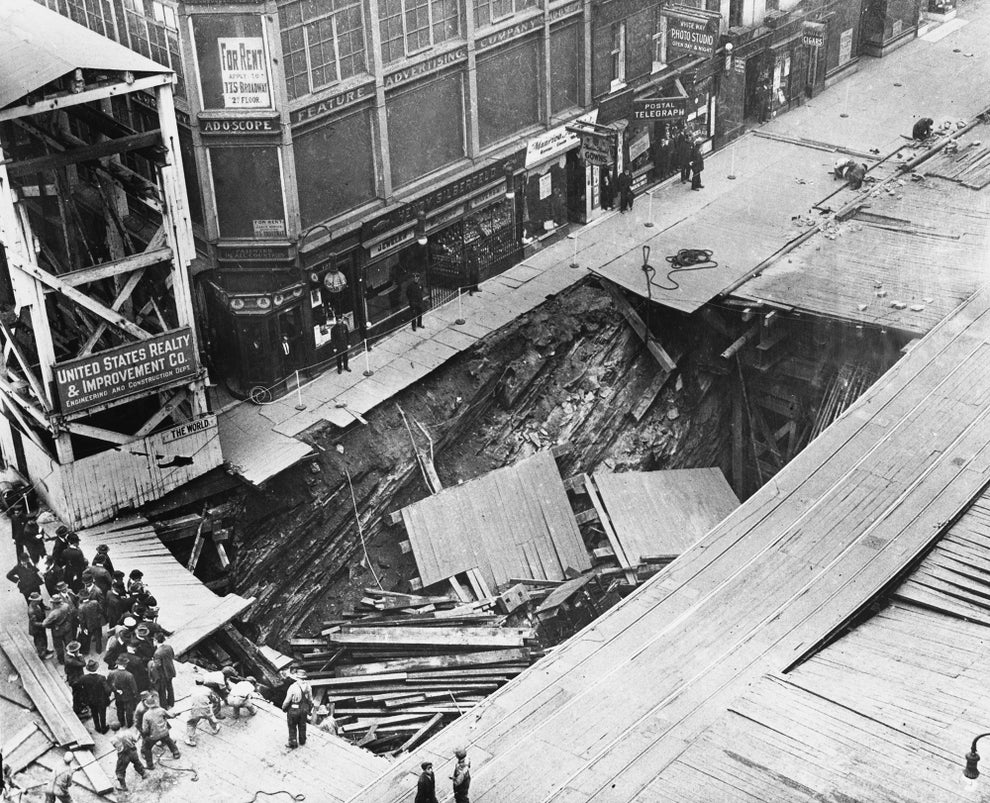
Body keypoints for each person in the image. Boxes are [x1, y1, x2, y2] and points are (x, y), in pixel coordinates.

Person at [140, 694, 180, 769]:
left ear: (147, 705)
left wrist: (144, 734)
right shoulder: (161, 710)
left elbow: (145, 729)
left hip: (153, 736)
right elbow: (170, 716)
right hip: (164, 732)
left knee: (147, 748)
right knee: (168, 740)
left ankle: (150, 765)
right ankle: (176, 753)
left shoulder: (146, 715)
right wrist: (175, 714)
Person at [184, 678, 221, 747]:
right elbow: (213, 699)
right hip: (205, 710)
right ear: (203, 682)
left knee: (191, 723)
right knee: (211, 718)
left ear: (196, 682)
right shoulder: (208, 690)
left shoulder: (192, 689)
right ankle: (215, 729)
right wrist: (215, 701)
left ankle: (190, 739)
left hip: (195, 710)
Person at [281, 668, 313, 749]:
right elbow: (310, 700)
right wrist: (309, 709)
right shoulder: (308, 686)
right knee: (302, 725)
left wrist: (283, 708)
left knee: (292, 726)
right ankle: (302, 740)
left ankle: (293, 742)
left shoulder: (293, 687)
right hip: (304, 709)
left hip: (294, 710)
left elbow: (287, 701)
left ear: (297, 677)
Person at [110, 722, 146, 791]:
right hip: (133, 752)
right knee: (137, 763)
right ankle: (143, 774)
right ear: (120, 726)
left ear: (112, 729)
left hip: (123, 756)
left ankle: (123, 786)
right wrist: (139, 733)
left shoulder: (112, 739)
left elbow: (116, 747)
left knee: (119, 771)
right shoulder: (128, 732)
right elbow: (135, 739)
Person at [78, 660, 111, 734]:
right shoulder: (101, 678)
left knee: (94, 714)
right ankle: (103, 728)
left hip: (91, 701)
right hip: (101, 700)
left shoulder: (83, 678)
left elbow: (81, 689)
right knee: (102, 715)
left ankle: (97, 727)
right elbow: (108, 690)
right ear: (96, 668)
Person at [43, 594, 75, 664]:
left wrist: (52, 626)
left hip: (57, 631)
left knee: (59, 646)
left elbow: (44, 624)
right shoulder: (66, 605)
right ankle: (71, 657)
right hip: (67, 627)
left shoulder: (53, 613)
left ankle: (61, 660)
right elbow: (70, 613)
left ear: (54, 603)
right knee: (69, 644)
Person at [108, 655, 138, 727]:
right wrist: (135, 695)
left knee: (119, 709)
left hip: (118, 695)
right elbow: (134, 688)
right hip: (128, 696)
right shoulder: (129, 675)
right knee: (129, 711)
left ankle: (121, 723)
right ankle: (129, 724)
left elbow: (109, 684)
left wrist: (116, 690)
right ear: (125, 665)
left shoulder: (112, 673)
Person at [64, 641, 88, 717]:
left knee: (79, 693)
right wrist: (80, 656)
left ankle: (81, 704)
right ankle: (77, 709)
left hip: (75, 677)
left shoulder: (68, 655)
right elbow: (83, 664)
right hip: (75, 680)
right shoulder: (71, 660)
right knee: (77, 695)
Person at [153, 633, 176, 709]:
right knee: (170, 688)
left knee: (162, 690)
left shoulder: (157, 653)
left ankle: (164, 705)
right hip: (171, 670)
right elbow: (172, 656)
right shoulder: (169, 647)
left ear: (156, 640)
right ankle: (171, 703)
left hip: (163, 674)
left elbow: (157, 665)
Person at [28, 592, 51, 658]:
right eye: (38, 600)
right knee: (40, 642)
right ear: (34, 601)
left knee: (44, 639)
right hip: (36, 629)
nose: (39, 601)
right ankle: (42, 655)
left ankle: (45, 650)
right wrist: (43, 624)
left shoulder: (36, 605)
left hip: (40, 627)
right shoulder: (31, 611)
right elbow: (34, 623)